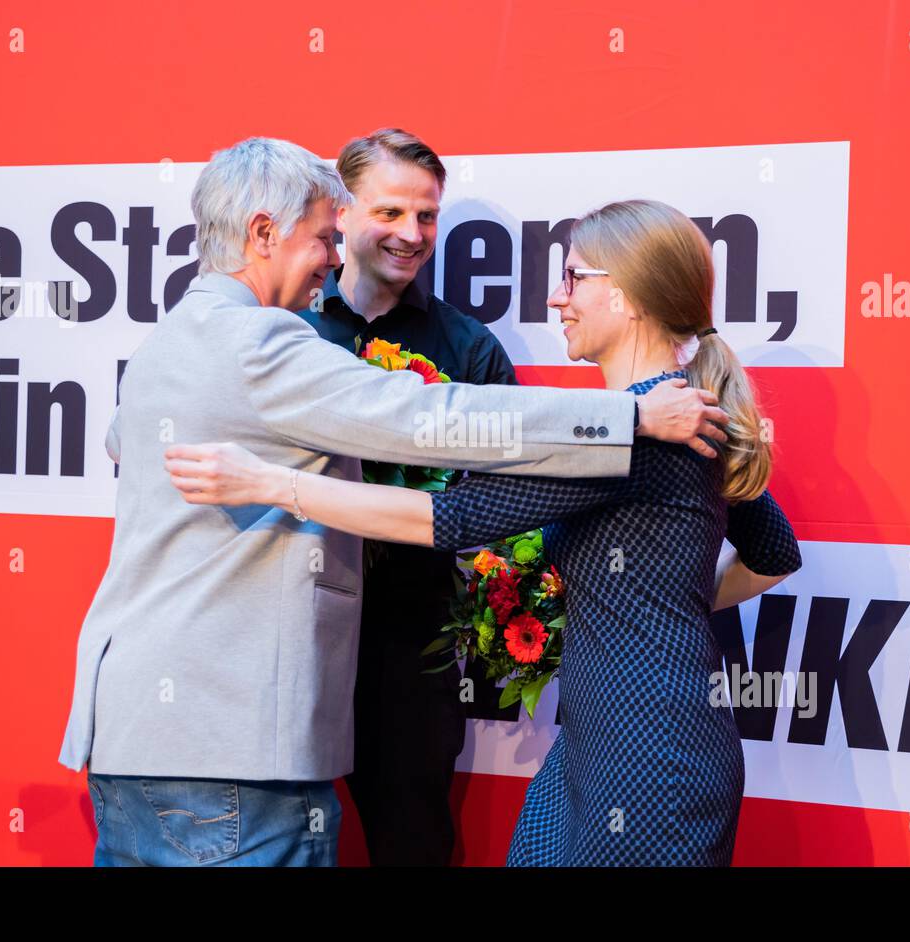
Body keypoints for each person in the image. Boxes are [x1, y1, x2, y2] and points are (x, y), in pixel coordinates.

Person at [57, 137, 732, 867]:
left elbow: (123, 442)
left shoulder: (167, 344)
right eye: (324, 236)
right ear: (262, 235)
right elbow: (431, 422)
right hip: (228, 749)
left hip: (138, 741)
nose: (331, 255)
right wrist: (626, 420)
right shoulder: (262, 343)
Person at [296, 128, 523, 866]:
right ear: (343, 211)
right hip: (286, 625)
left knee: (414, 844)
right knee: (271, 841)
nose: (412, 234)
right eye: (390, 213)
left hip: (413, 636)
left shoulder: (468, 346)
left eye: (427, 217)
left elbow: (509, 497)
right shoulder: (282, 330)